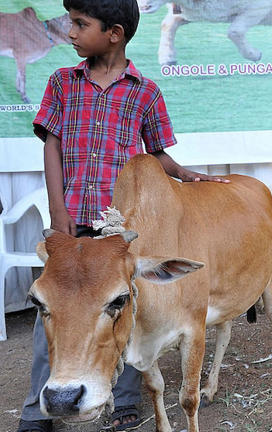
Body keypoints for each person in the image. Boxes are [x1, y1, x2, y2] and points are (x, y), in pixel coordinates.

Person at [17, 1, 228, 431]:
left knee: (125, 312)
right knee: (54, 311)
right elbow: (51, 144)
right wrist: (60, 216)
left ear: (113, 33)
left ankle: (124, 398)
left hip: (123, 230)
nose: (71, 32)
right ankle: (36, 409)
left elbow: (157, 154)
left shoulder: (145, 91)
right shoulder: (62, 82)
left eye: (80, 24)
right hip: (73, 225)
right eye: (71, 23)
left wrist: (188, 175)